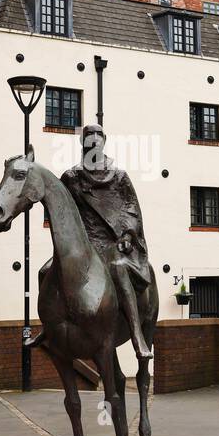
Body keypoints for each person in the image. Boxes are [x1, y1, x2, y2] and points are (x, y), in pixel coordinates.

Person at [61, 124, 153, 359]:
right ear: (82, 142)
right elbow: (64, 211)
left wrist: (127, 235)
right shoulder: (71, 177)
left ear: (105, 140)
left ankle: (136, 336)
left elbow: (130, 209)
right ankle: (52, 329)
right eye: (88, 137)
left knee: (119, 269)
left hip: (111, 243)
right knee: (47, 272)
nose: (93, 141)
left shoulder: (119, 176)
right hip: (84, 244)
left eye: (97, 136)